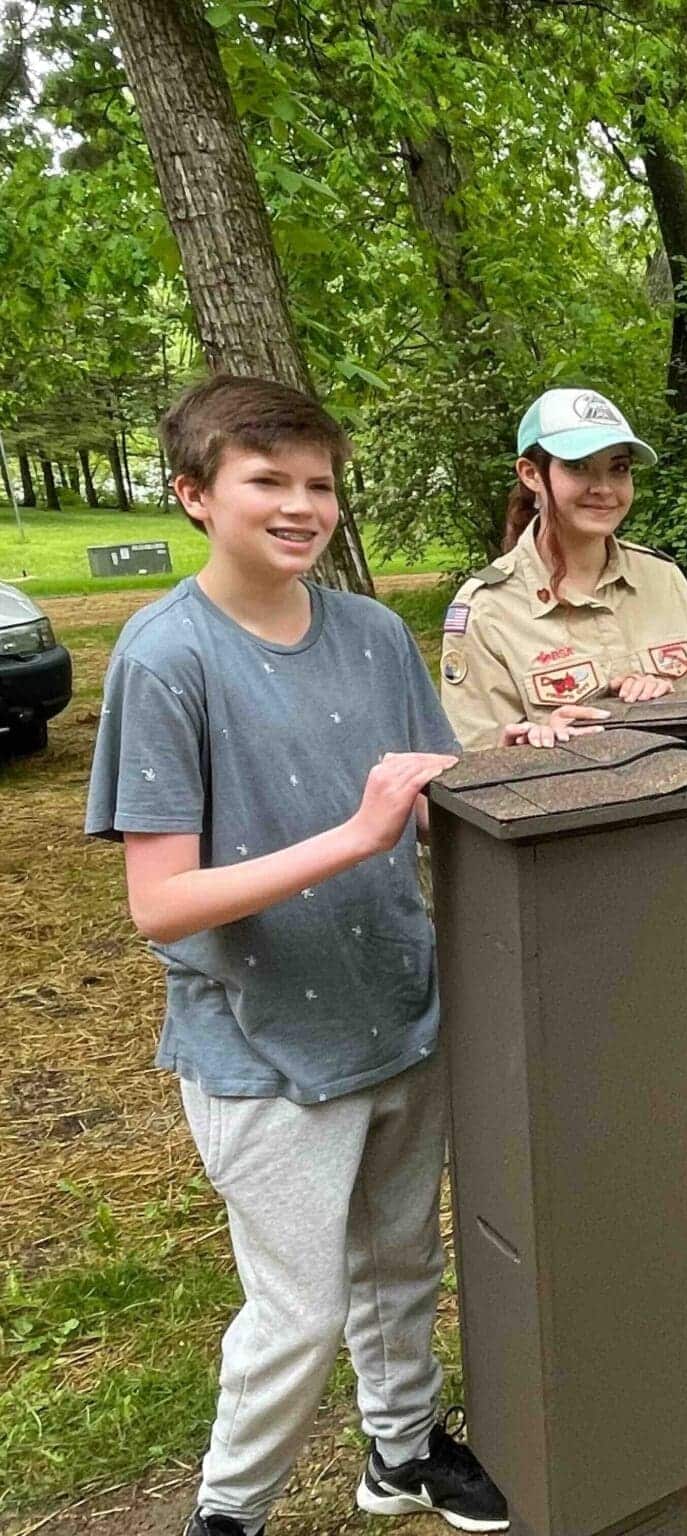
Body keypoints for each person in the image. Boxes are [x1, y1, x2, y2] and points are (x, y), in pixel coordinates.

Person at [83, 376, 508, 1536]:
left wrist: (514, 755)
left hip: (397, 1008)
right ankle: (230, 1511)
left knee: (401, 1264)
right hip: (262, 1047)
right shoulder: (164, 658)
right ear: (194, 495)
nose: (300, 505)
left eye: (318, 483)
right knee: (299, 1311)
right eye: (266, 480)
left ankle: (402, 1450)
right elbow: (160, 905)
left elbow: (428, 797)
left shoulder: (374, 633)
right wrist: (354, 835)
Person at [440, 388, 687, 752]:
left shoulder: (663, 580)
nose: (603, 488)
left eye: (619, 468)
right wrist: (542, 740)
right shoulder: (487, 609)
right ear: (531, 474)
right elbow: (474, 770)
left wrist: (667, 701)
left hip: (684, 805)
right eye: (578, 465)